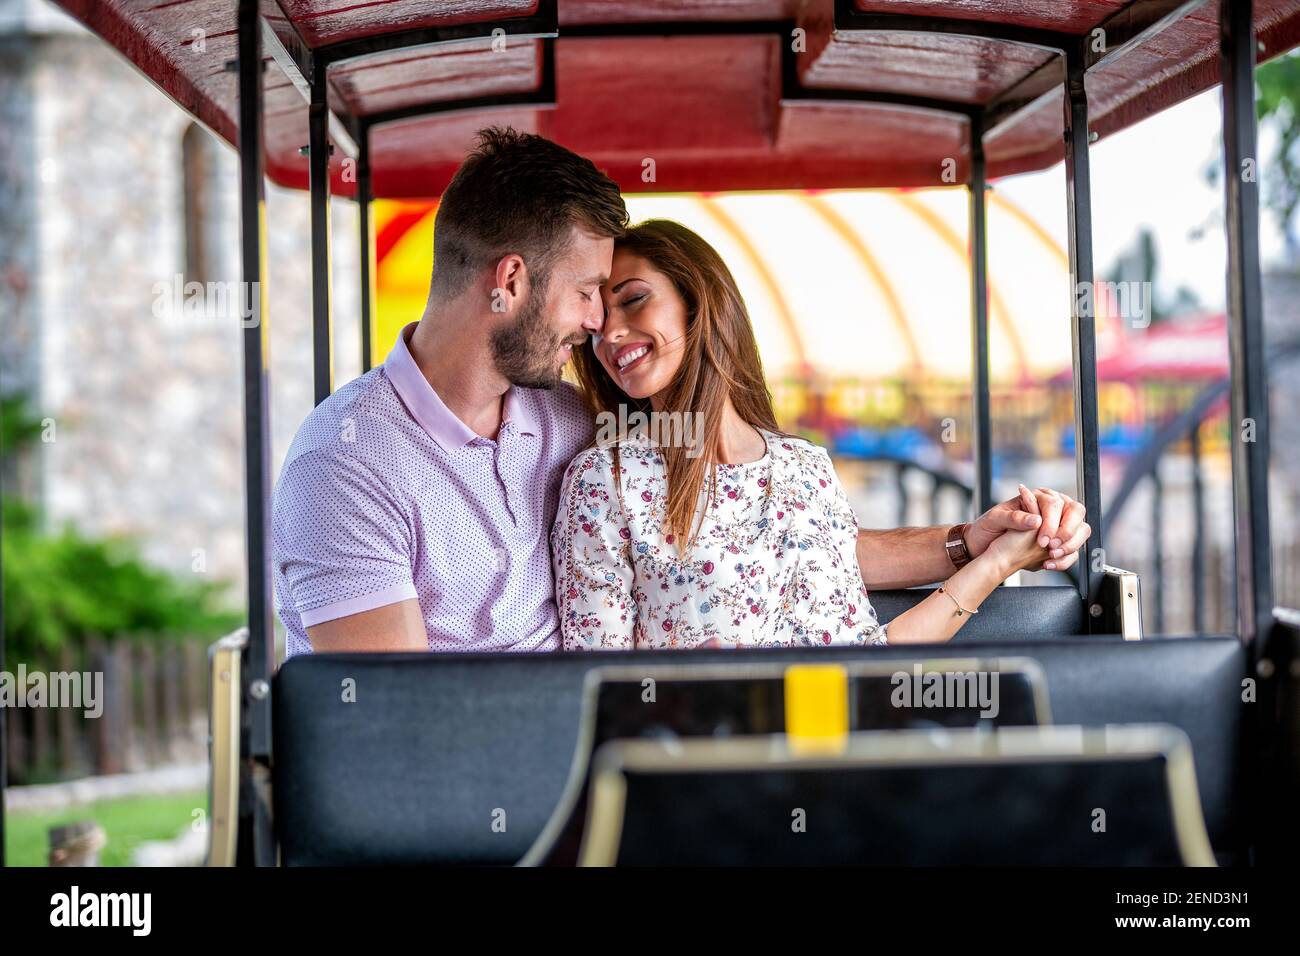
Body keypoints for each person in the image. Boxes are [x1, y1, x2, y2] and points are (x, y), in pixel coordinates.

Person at [272, 127, 1088, 656]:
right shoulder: (348, 465)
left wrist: (969, 543)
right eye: (591, 292)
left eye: (623, 297)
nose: (597, 326)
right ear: (510, 281)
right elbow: (384, 720)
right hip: (501, 778)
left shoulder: (563, 417)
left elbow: (767, 535)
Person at [552, 220, 1088, 649]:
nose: (610, 336)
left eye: (634, 298)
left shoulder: (804, 470)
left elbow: (867, 658)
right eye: (597, 326)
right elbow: (596, 684)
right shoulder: (606, 480)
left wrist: (997, 558)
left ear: (700, 300)